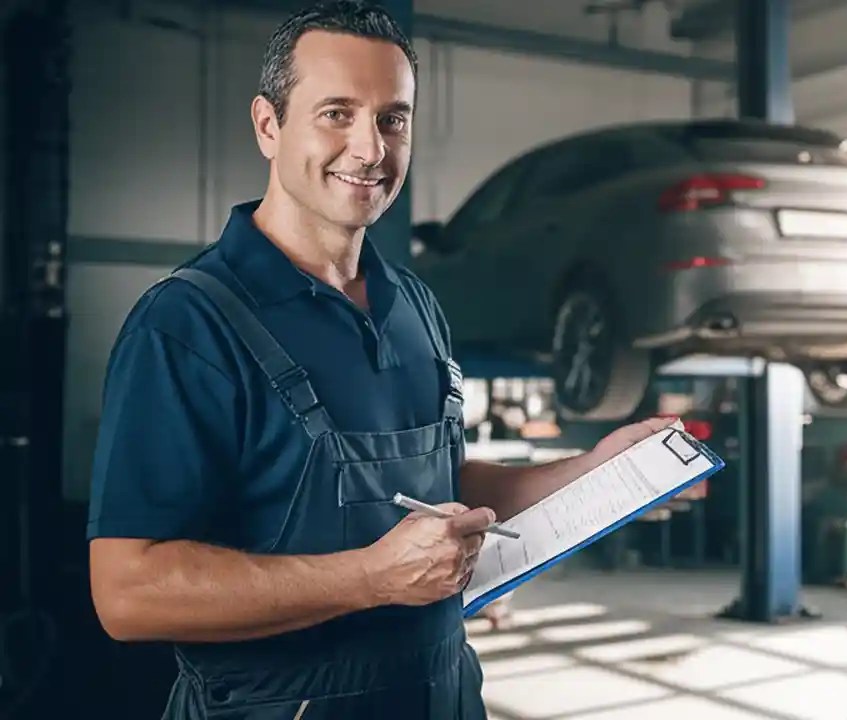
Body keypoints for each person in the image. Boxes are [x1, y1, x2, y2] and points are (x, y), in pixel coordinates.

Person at [84, 2, 667, 718]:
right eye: (337, 113)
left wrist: (598, 470)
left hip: (443, 696)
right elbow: (126, 594)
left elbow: (440, 485)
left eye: (393, 118)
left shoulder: (414, 305)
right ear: (269, 125)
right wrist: (369, 577)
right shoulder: (186, 325)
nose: (371, 150)